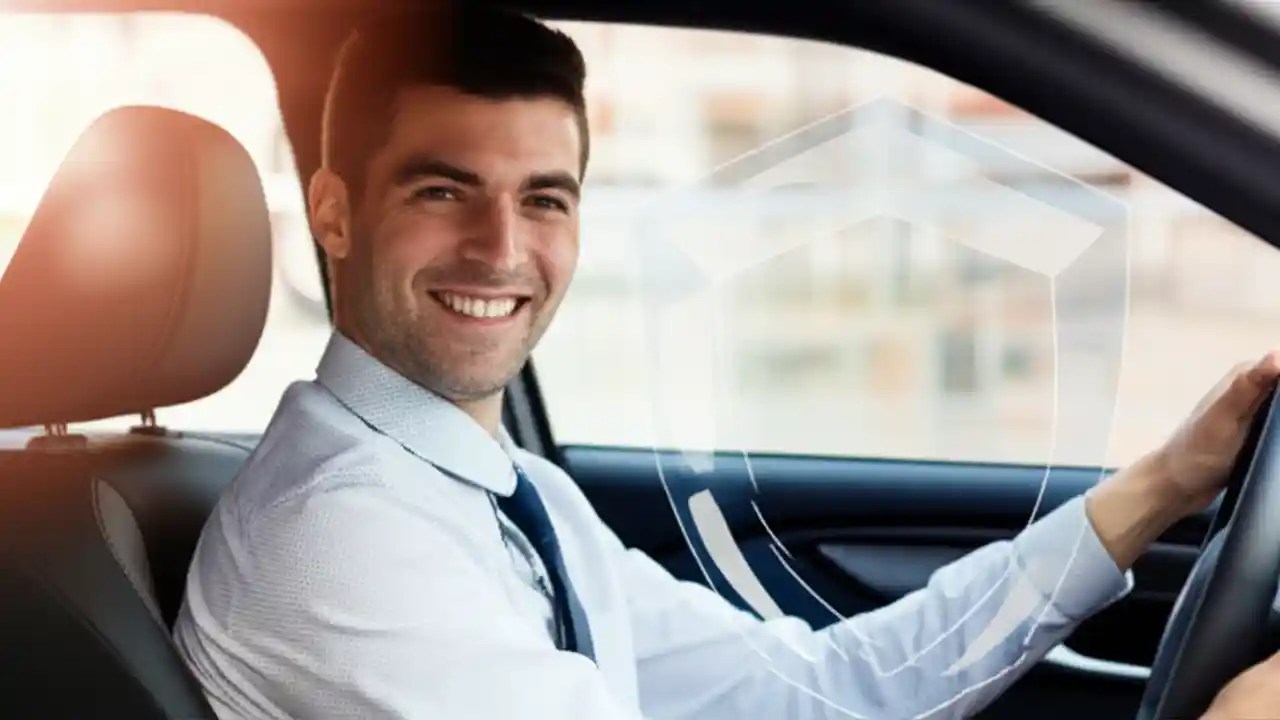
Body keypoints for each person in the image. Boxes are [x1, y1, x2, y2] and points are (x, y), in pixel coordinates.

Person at [173, 5, 1280, 719]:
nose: (501, 250)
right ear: (332, 213)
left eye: (543, 198)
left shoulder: (505, 496)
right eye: (442, 189)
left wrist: (1159, 489)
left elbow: (814, 690)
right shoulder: (338, 536)